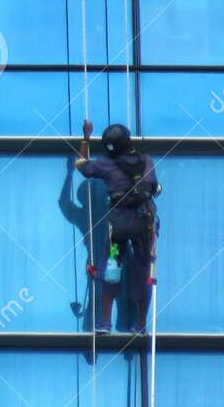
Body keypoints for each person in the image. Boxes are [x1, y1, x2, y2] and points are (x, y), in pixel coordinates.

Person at [65, 120, 160, 333]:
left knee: (112, 269)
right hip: (142, 226)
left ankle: (105, 322)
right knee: (143, 271)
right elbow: (153, 187)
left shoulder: (106, 164)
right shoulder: (145, 161)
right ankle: (141, 324)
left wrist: (86, 137)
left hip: (118, 227)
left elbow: (82, 165)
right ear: (127, 141)